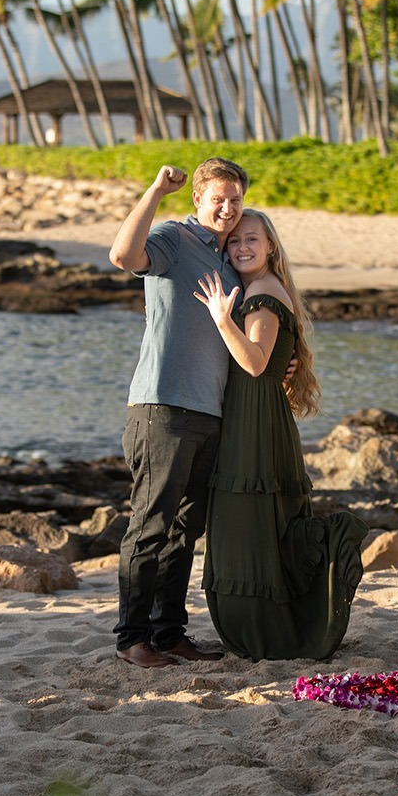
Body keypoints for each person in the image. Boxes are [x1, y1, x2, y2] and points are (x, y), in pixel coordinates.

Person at [193, 209, 369, 661]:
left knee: (249, 525)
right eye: (234, 241)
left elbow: (253, 362)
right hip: (255, 421)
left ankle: (270, 633)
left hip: (256, 427)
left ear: (271, 246)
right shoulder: (258, 290)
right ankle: (265, 630)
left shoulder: (265, 294)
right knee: (259, 526)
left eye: (252, 239)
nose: (242, 247)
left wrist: (220, 319)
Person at [107, 158, 248, 668]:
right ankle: (131, 640)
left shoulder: (230, 260)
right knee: (150, 525)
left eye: (235, 200)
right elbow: (123, 254)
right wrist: (155, 190)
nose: (228, 209)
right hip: (161, 408)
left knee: (184, 532)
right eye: (218, 198)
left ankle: (169, 634)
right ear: (199, 199)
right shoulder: (173, 238)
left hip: (209, 414)